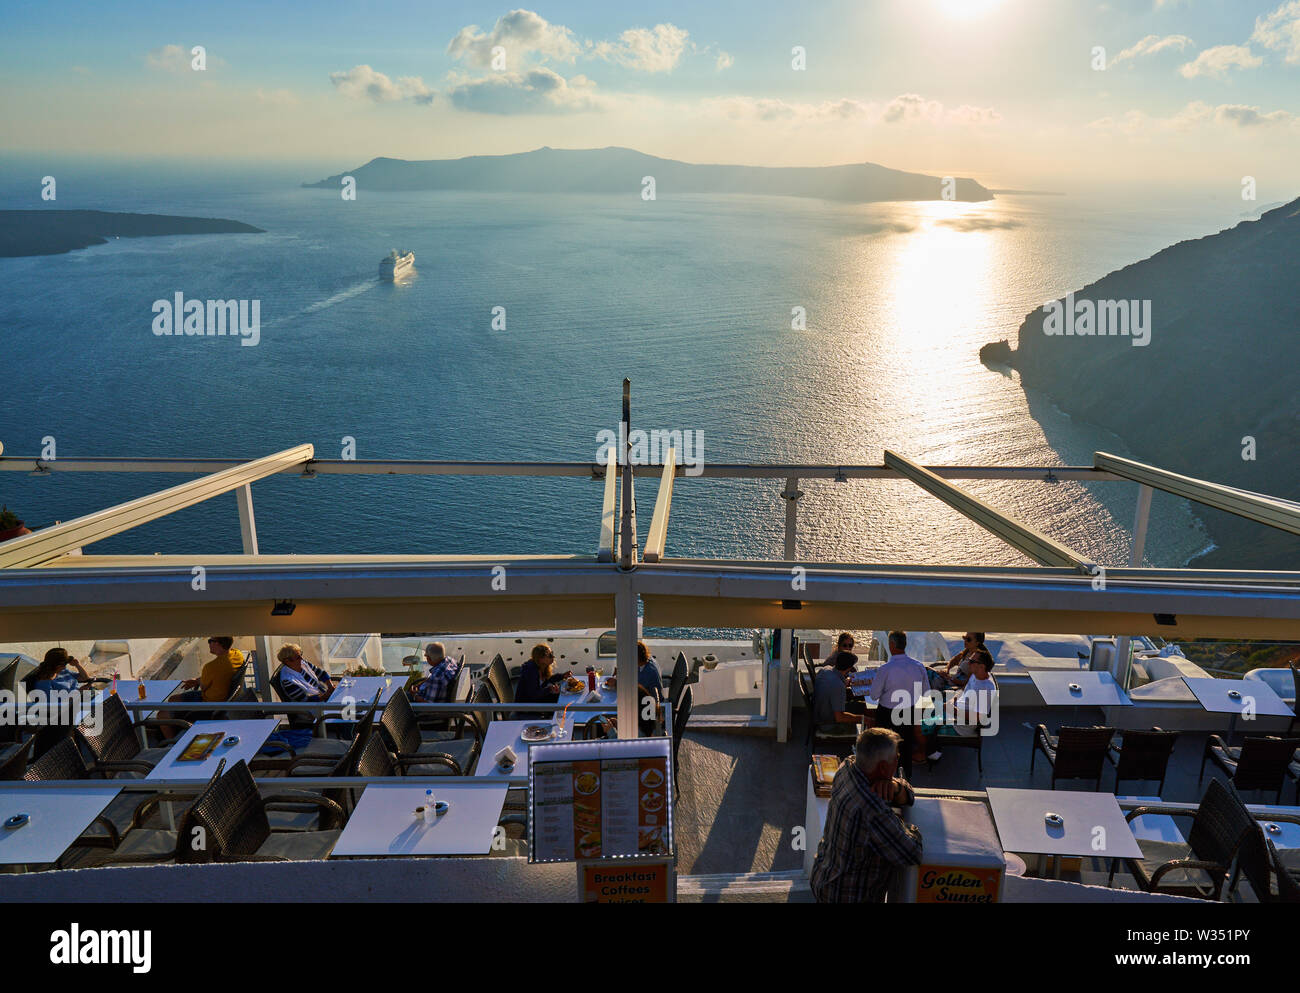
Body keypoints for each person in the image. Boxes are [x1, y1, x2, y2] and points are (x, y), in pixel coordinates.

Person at [809, 727, 923, 903]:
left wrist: (894, 786)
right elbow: (912, 853)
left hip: (824, 877)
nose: (898, 761)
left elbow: (907, 794)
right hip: (847, 896)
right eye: (896, 758)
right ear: (884, 767)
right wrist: (902, 823)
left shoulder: (847, 766)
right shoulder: (872, 809)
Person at [868, 631, 936, 776]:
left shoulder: (885, 669)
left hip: (887, 714)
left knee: (884, 745)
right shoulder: (918, 666)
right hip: (909, 712)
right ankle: (905, 778)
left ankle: (883, 774)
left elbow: (873, 696)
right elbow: (926, 694)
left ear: (891, 645)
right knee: (905, 747)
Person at [269, 643, 335, 748]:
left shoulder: (302, 663)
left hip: (321, 698)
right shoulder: (287, 680)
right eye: (298, 657)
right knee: (345, 710)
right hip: (310, 709)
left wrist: (330, 686)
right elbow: (306, 701)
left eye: (300, 655)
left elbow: (320, 673)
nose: (301, 658)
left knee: (347, 703)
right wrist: (326, 695)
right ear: (287, 661)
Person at [813, 651, 864, 746]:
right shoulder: (838, 686)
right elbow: (840, 717)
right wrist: (863, 719)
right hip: (827, 725)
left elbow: (832, 686)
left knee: (859, 706)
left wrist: (845, 682)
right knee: (864, 712)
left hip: (820, 713)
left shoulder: (825, 670)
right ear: (849, 668)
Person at [175, 636, 244, 703]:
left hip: (210, 703)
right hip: (225, 699)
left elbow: (203, 687)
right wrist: (197, 680)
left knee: (173, 699)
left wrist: (198, 681)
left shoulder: (211, 667)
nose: (209, 644)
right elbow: (217, 676)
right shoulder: (238, 654)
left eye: (210, 641)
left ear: (217, 644)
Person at [25, 647, 93, 694]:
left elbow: (85, 678)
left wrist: (77, 665)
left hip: (85, 696)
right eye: (65, 663)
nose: (65, 666)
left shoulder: (63, 671)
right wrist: (79, 692)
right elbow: (55, 705)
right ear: (58, 666)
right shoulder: (44, 683)